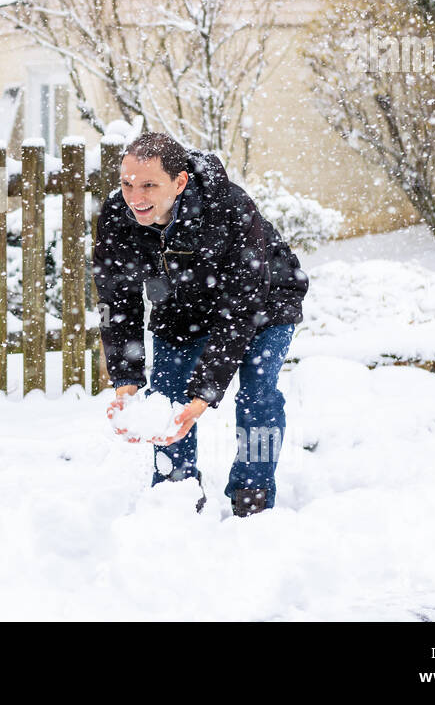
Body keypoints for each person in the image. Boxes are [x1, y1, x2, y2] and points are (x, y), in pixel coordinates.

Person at [93, 132, 308, 516]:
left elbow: (241, 309)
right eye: (127, 183)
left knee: (257, 396)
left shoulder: (227, 208)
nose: (135, 197)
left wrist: (205, 393)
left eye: (148, 185)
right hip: (182, 309)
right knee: (165, 400)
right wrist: (125, 379)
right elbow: (116, 298)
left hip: (265, 303)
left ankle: (252, 495)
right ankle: (176, 494)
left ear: (179, 182)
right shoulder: (117, 217)